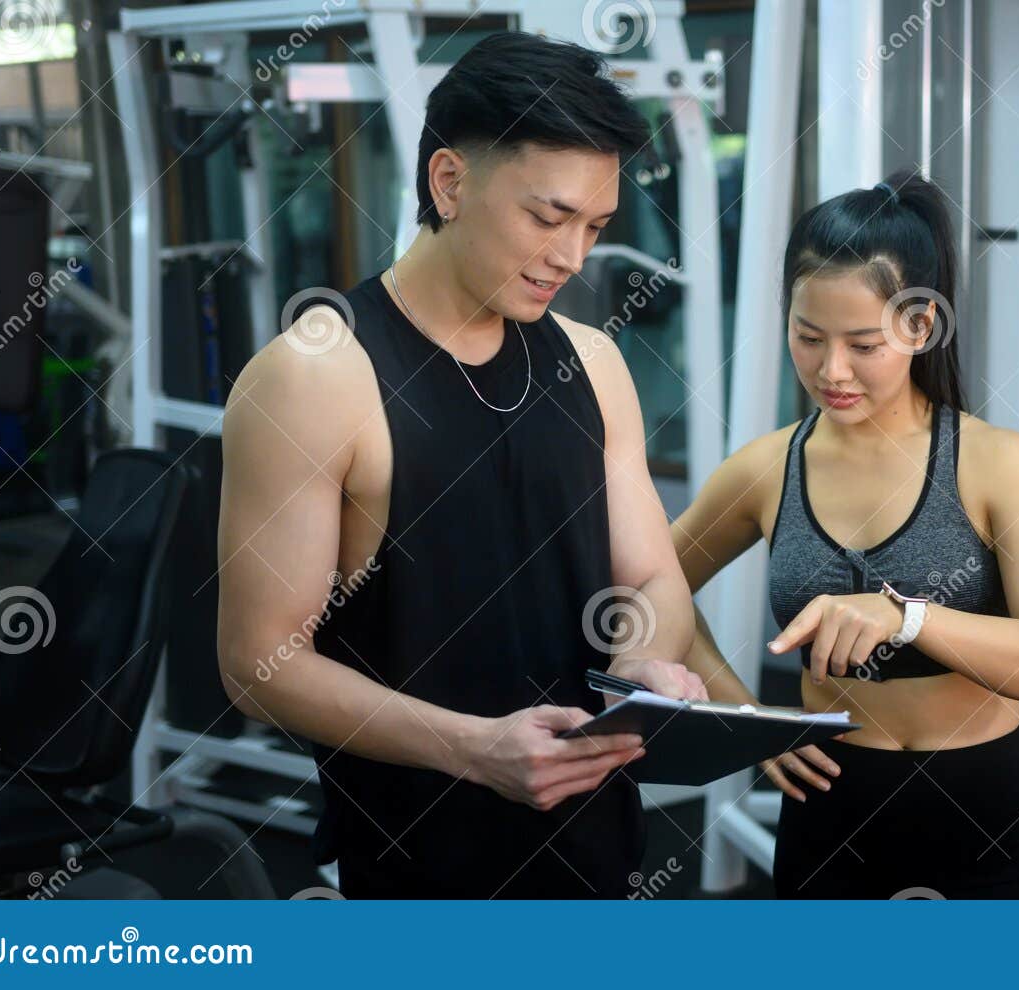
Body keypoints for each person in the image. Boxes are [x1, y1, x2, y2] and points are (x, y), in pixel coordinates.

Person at [216, 31, 707, 899]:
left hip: (600, 845)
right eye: (548, 217)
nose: (572, 257)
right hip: (418, 869)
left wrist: (638, 668)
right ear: (449, 181)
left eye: (594, 227)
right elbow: (257, 666)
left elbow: (653, 582)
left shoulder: (592, 361)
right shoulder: (316, 374)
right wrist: (474, 750)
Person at [669, 170, 1019, 898]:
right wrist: (741, 715)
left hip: (983, 804)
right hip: (832, 802)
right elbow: (650, 587)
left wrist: (908, 618)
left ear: (920, 325)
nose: (831, 371)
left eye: (863, 345)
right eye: (808, 338)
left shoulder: (998, 464)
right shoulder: (767, 468)